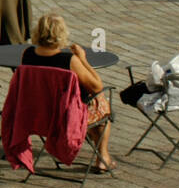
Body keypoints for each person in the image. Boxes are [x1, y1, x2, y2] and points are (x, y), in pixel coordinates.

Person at [21, 14, 114, 173]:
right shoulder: (69, 60)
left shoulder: (28, 54)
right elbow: (97, 86)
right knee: (101, 103)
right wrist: (83, 59)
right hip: (65, 118)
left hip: (38, 115)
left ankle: (96, 145)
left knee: (90, 102)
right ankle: (103, 157)